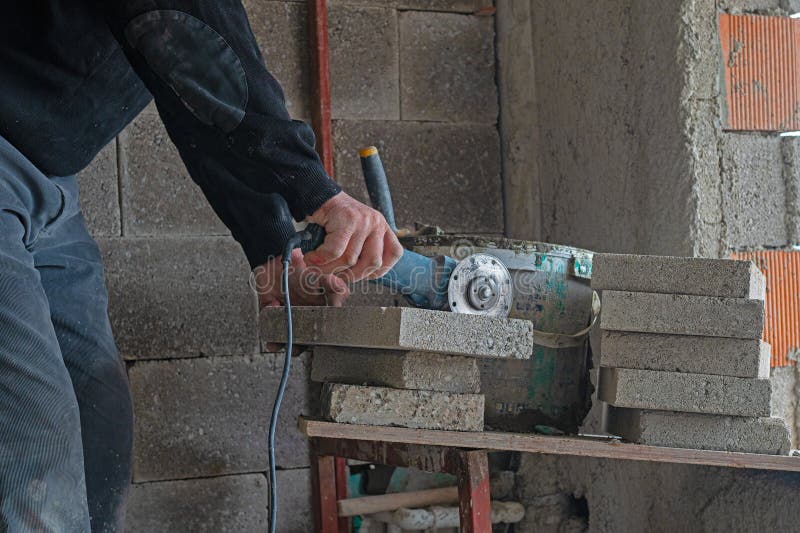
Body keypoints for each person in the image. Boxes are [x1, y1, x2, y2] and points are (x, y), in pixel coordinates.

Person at [0, 1, 403, 531]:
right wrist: (315, 188)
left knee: (99, 418)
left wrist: (275, 246)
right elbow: (193, 30)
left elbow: (191, 88)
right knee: (36, 435)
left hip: (46, 185)